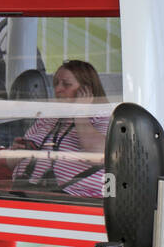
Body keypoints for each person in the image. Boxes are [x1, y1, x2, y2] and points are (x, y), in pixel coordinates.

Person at [11, 60, 109, 198]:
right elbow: (11, 163)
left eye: (66, 84)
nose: (58, 89)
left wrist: (80, 113)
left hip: (74, 200)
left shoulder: (102, 117)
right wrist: (18, 153)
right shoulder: (49, 117)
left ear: (86, 90)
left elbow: (99, 155)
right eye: (56, 83)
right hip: (27, 192)